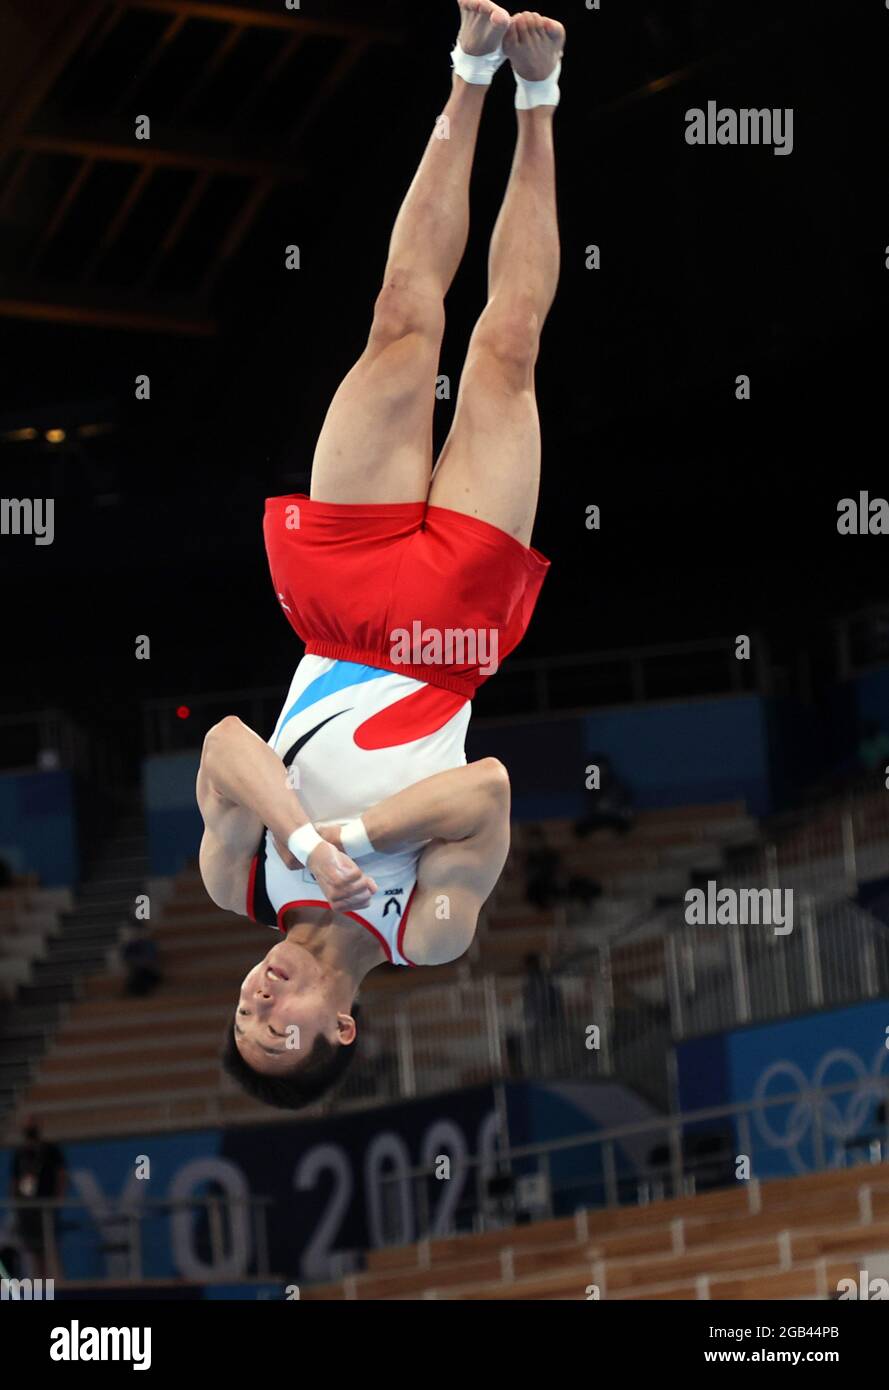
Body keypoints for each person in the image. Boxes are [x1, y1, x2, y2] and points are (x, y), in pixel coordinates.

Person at [197, 1, 565, 1110]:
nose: (261, 1002)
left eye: (245, 1015)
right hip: (449, 629)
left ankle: (466, 72)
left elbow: (222, 743)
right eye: (283, 1031)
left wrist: (306, 834)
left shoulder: (238, 881)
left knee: (402, 319)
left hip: (338, 602)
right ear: (341, 1025)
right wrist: (357, 841)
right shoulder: (430, 931)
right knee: (503, 351)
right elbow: (486, 790)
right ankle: (540, 100)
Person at [9, 1117, 66, 1280]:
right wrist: (17, 1203)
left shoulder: (50, 1150)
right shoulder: (20, 1153)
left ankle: (58, 1281)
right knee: (34, 1250)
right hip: (28, 1207)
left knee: (50, 1246)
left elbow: (61, 1175)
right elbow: (14, 1181)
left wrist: (58, 1198)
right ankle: (40, 1282)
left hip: (46, 1205)